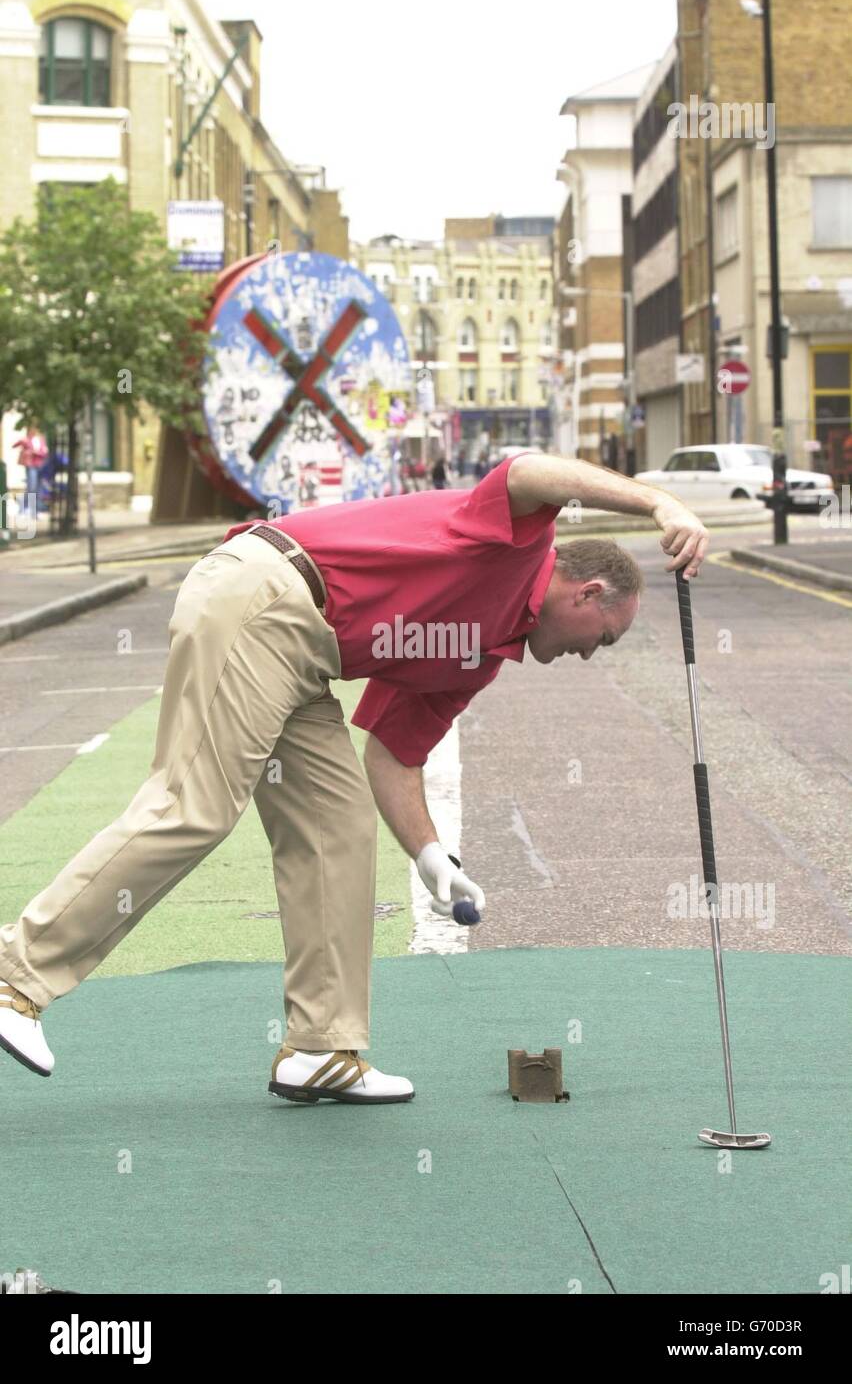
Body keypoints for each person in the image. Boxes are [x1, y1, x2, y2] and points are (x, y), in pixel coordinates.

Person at [0, 453, 708, 1104]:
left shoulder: (480, 655)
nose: (592, 655)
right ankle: (14, 980)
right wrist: (658, 504)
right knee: (195, 808)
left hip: (305, 656)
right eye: (604, 640)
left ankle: (320, 1048)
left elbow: (394, 756)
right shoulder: (516, 542)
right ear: (586, 595)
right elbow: (530, 469)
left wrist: (435, 859)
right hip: (265, 596)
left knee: (337, 827)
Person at [12, 428, 48, 516]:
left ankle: (34, 510)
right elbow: (15, 445)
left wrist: (36, 452)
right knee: (31, 487)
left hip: (40, 465)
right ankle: (26, 508)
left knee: (38, 488)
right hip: (31, 465)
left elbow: (44, 452)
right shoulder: (27, 439)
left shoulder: (41, 439)